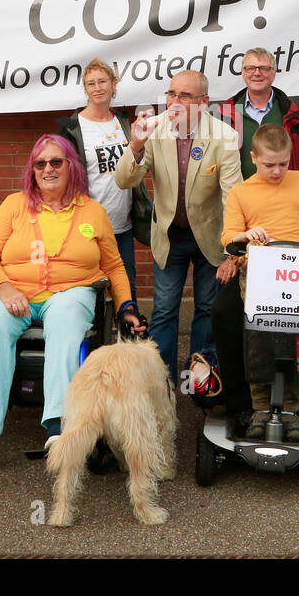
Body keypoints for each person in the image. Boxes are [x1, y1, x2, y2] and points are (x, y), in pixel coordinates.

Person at [0, 134, 142, 459]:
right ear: (32, 170)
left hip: (71, 293)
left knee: (65, 321)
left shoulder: (92, 211)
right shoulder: (14, 205)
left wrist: (128, 307)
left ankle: (58, 424)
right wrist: (5, 287)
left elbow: (114, 265)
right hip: (15, 293)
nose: (48, 168)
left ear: (71, 167)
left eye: (56, 162)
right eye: (40, 163)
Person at [211, 124, 299, 440]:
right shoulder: (242, 192)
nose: (277, 171)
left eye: (284, 164)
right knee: (259, 330)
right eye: (269, 164)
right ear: (253, 157)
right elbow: (228, 236)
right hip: (259, 267)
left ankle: (292, 410)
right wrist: (244, 236)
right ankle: (259, 407)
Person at [114, 70, 242, 379]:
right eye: (172, 94)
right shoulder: (155, 132)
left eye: (184, 96)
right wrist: (135, 145)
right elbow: (124, 180)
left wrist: (232, 251)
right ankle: (162, 381)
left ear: (203, 102)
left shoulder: (224, 137)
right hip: (170, 236)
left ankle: (198, 380)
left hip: (210, 236)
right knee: (164, 311)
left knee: (206, 311)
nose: (175, 101)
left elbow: (232, 196)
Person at [56, 58, 151, 295]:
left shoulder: (124, 122)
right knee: (87, 291)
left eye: (102, 81)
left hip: (122, 225)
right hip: (86, 227)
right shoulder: (72, 126)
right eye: (91, 83)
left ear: (113, 85)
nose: (97, 88)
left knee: (126, 289)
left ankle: (127, 332)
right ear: (85, 90)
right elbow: (62, 177)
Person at [217, 47, 299, 177]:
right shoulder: (224, 113)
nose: (257, 73)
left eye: (264, 68)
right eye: (251, 68)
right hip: (238, 194)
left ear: (274, 73)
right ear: (243, 73)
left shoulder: (293, 115)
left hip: (283, 194)